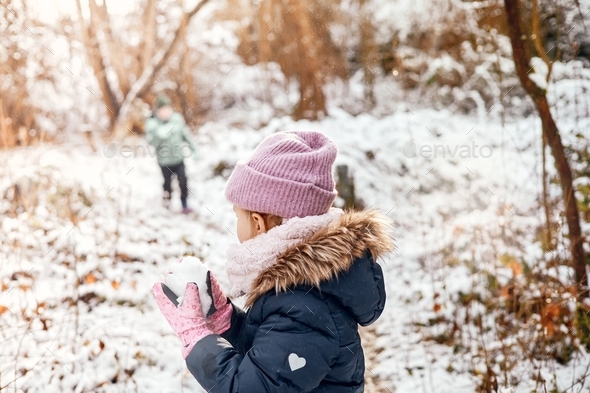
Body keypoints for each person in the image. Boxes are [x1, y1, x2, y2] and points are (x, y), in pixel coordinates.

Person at [152, 131, 394, 392]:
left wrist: (197, 339)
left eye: (238, 215)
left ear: (257, 223)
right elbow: (270, 356)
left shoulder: (305, 307)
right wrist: (227, 321)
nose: (237, 225)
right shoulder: (307, 288)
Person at [145, 95, 197, 214]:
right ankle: (167, 203)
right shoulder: (152, 123)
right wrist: (159, 135)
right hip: (164, 162)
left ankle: (184, 204)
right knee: (167, 183)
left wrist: (194, 149)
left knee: (183, 181)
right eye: (163, 110)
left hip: (178, 158)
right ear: (158, 111)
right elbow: (150, 142)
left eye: (168, 109)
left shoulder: (177, 119)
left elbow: (185, 135)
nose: (166, 112)